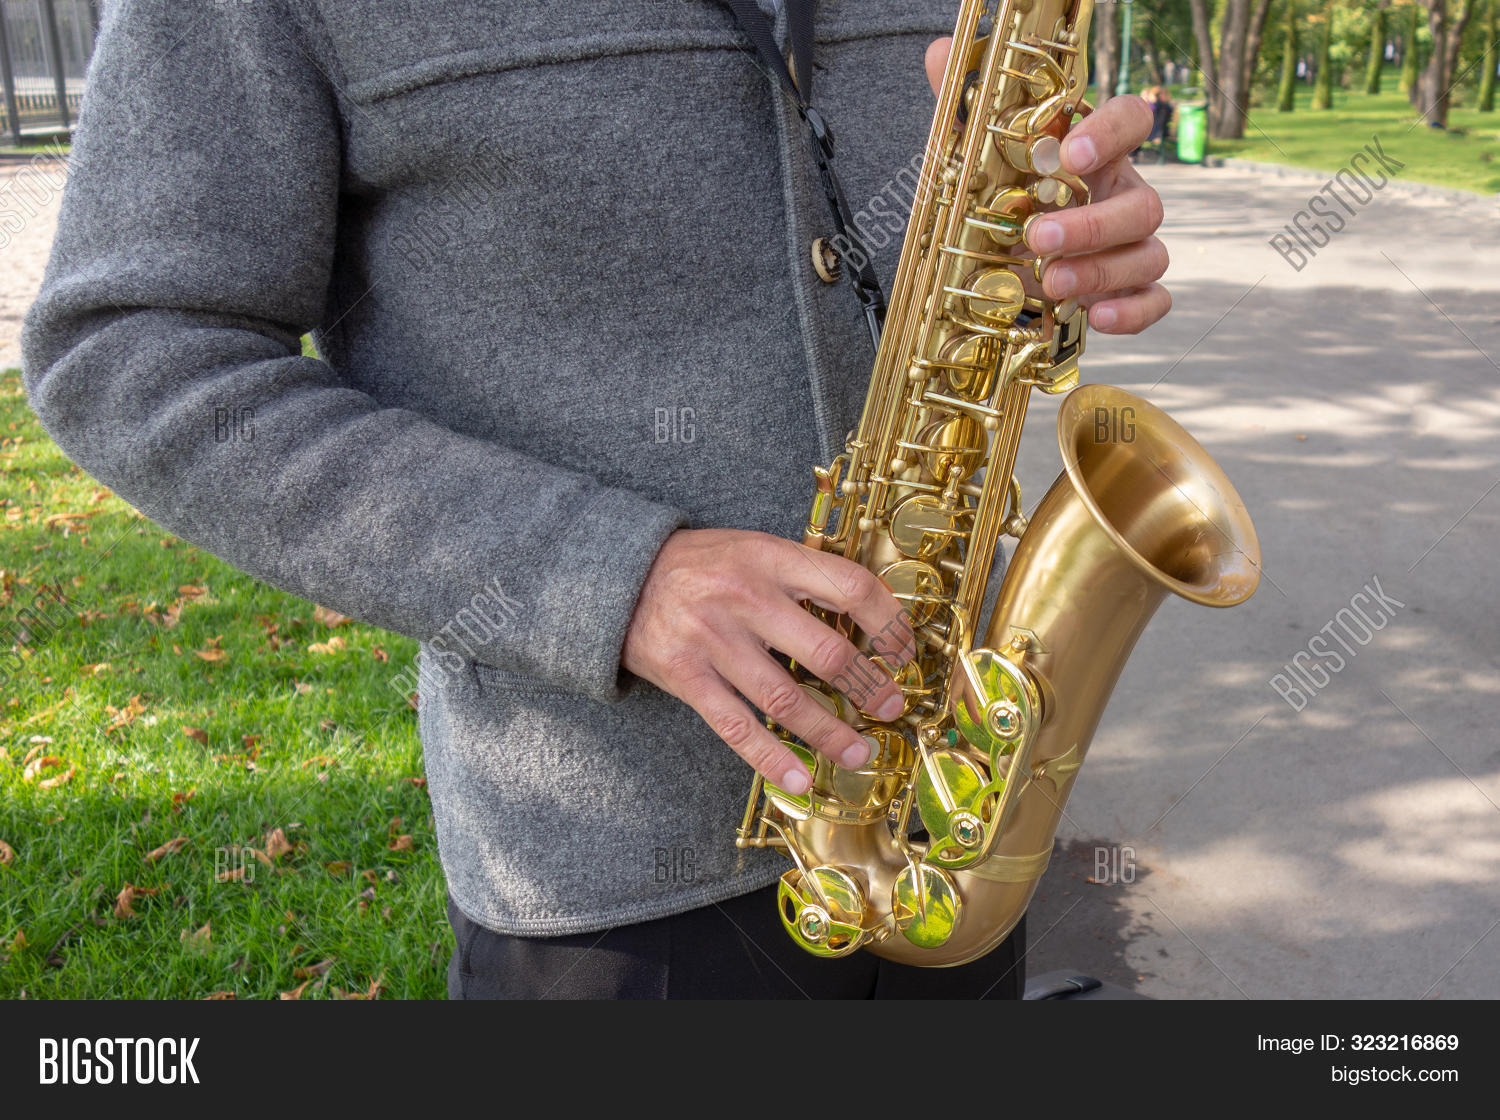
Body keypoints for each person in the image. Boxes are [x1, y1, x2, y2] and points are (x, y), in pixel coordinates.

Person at [22, 0, 1170, 999]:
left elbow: (919, 249)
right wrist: (605, 575)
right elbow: (131, 345)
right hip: (615, 898)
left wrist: (1047, 257)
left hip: (951, 823)